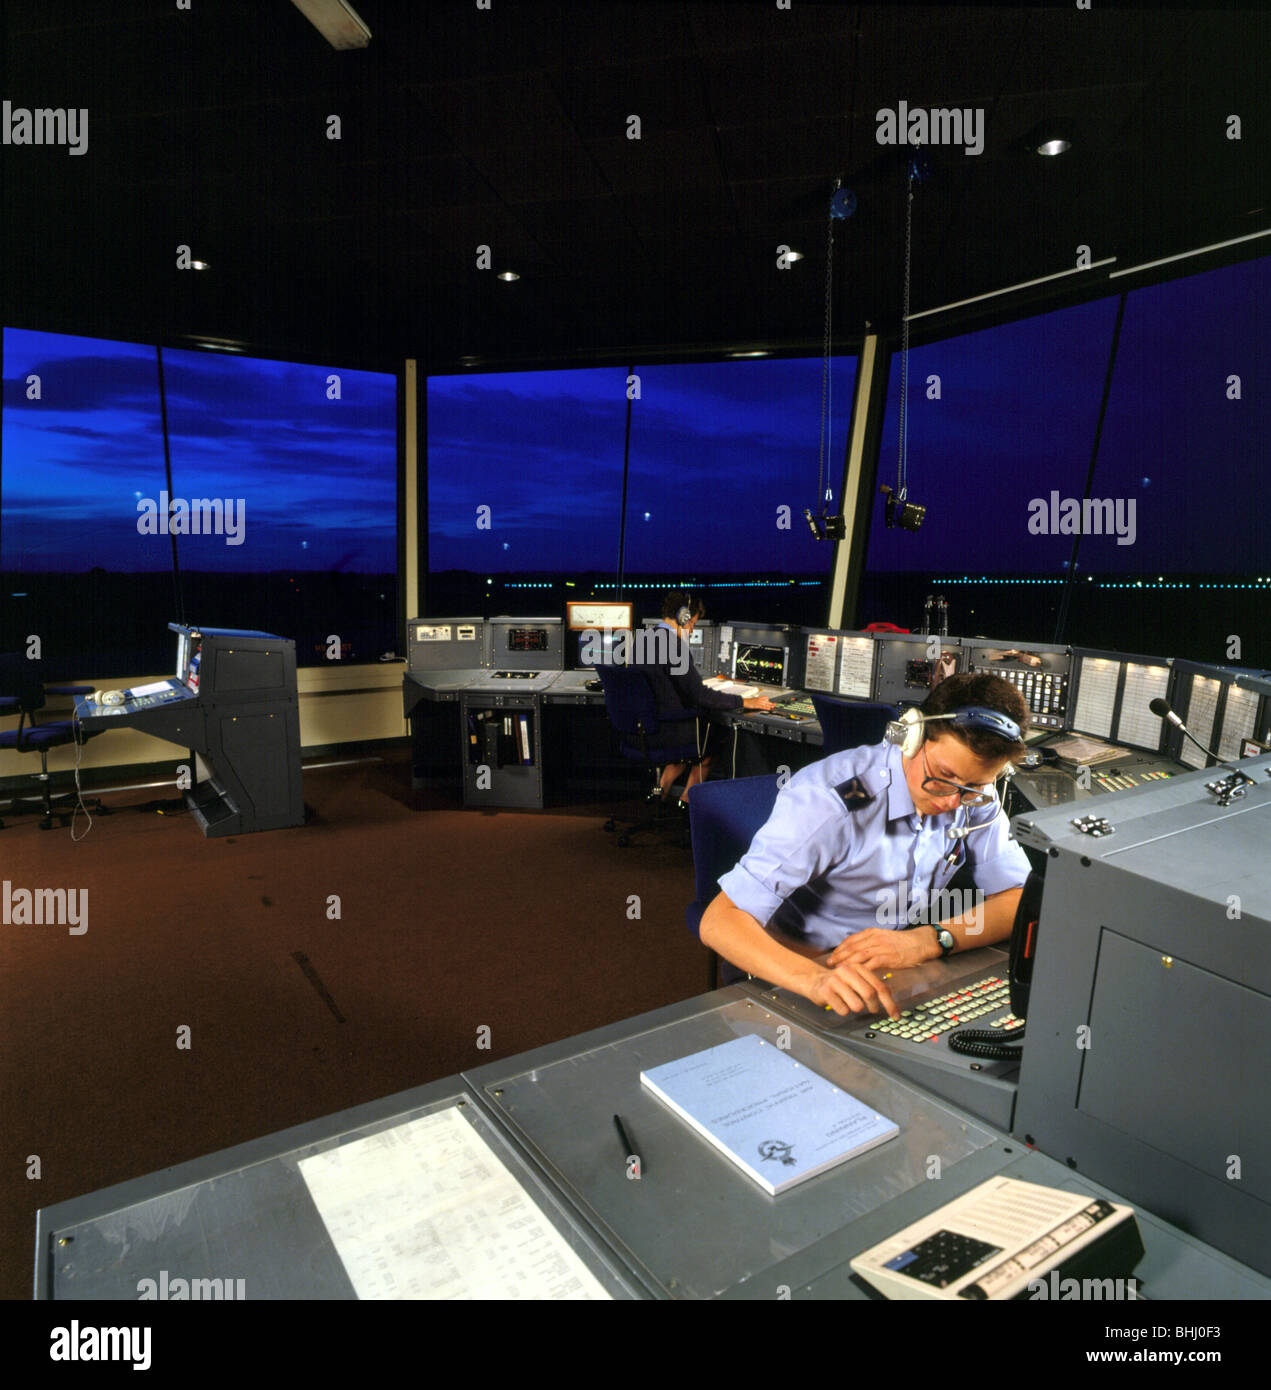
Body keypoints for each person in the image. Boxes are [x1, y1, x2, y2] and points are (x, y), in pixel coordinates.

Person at [700, 672, 1032, 1019]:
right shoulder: (829, 802)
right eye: (943, 777)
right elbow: (719, 921)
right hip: (793, 970)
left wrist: (929, 940)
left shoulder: (977, 796)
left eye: (973, 786)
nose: (952, 802)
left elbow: (1017, 899)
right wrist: (815, 979)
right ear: (913, 736)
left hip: (888, 964)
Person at [642, 591, 775, 803]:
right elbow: (699, 695)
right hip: (670, 730)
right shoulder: (674, 645)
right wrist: (743, 701)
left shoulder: (645, 638)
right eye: (693, 622)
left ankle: (660, 793)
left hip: (649, 728)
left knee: (685, 744)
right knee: (712, 741)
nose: (693, 629)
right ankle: (687, 801)